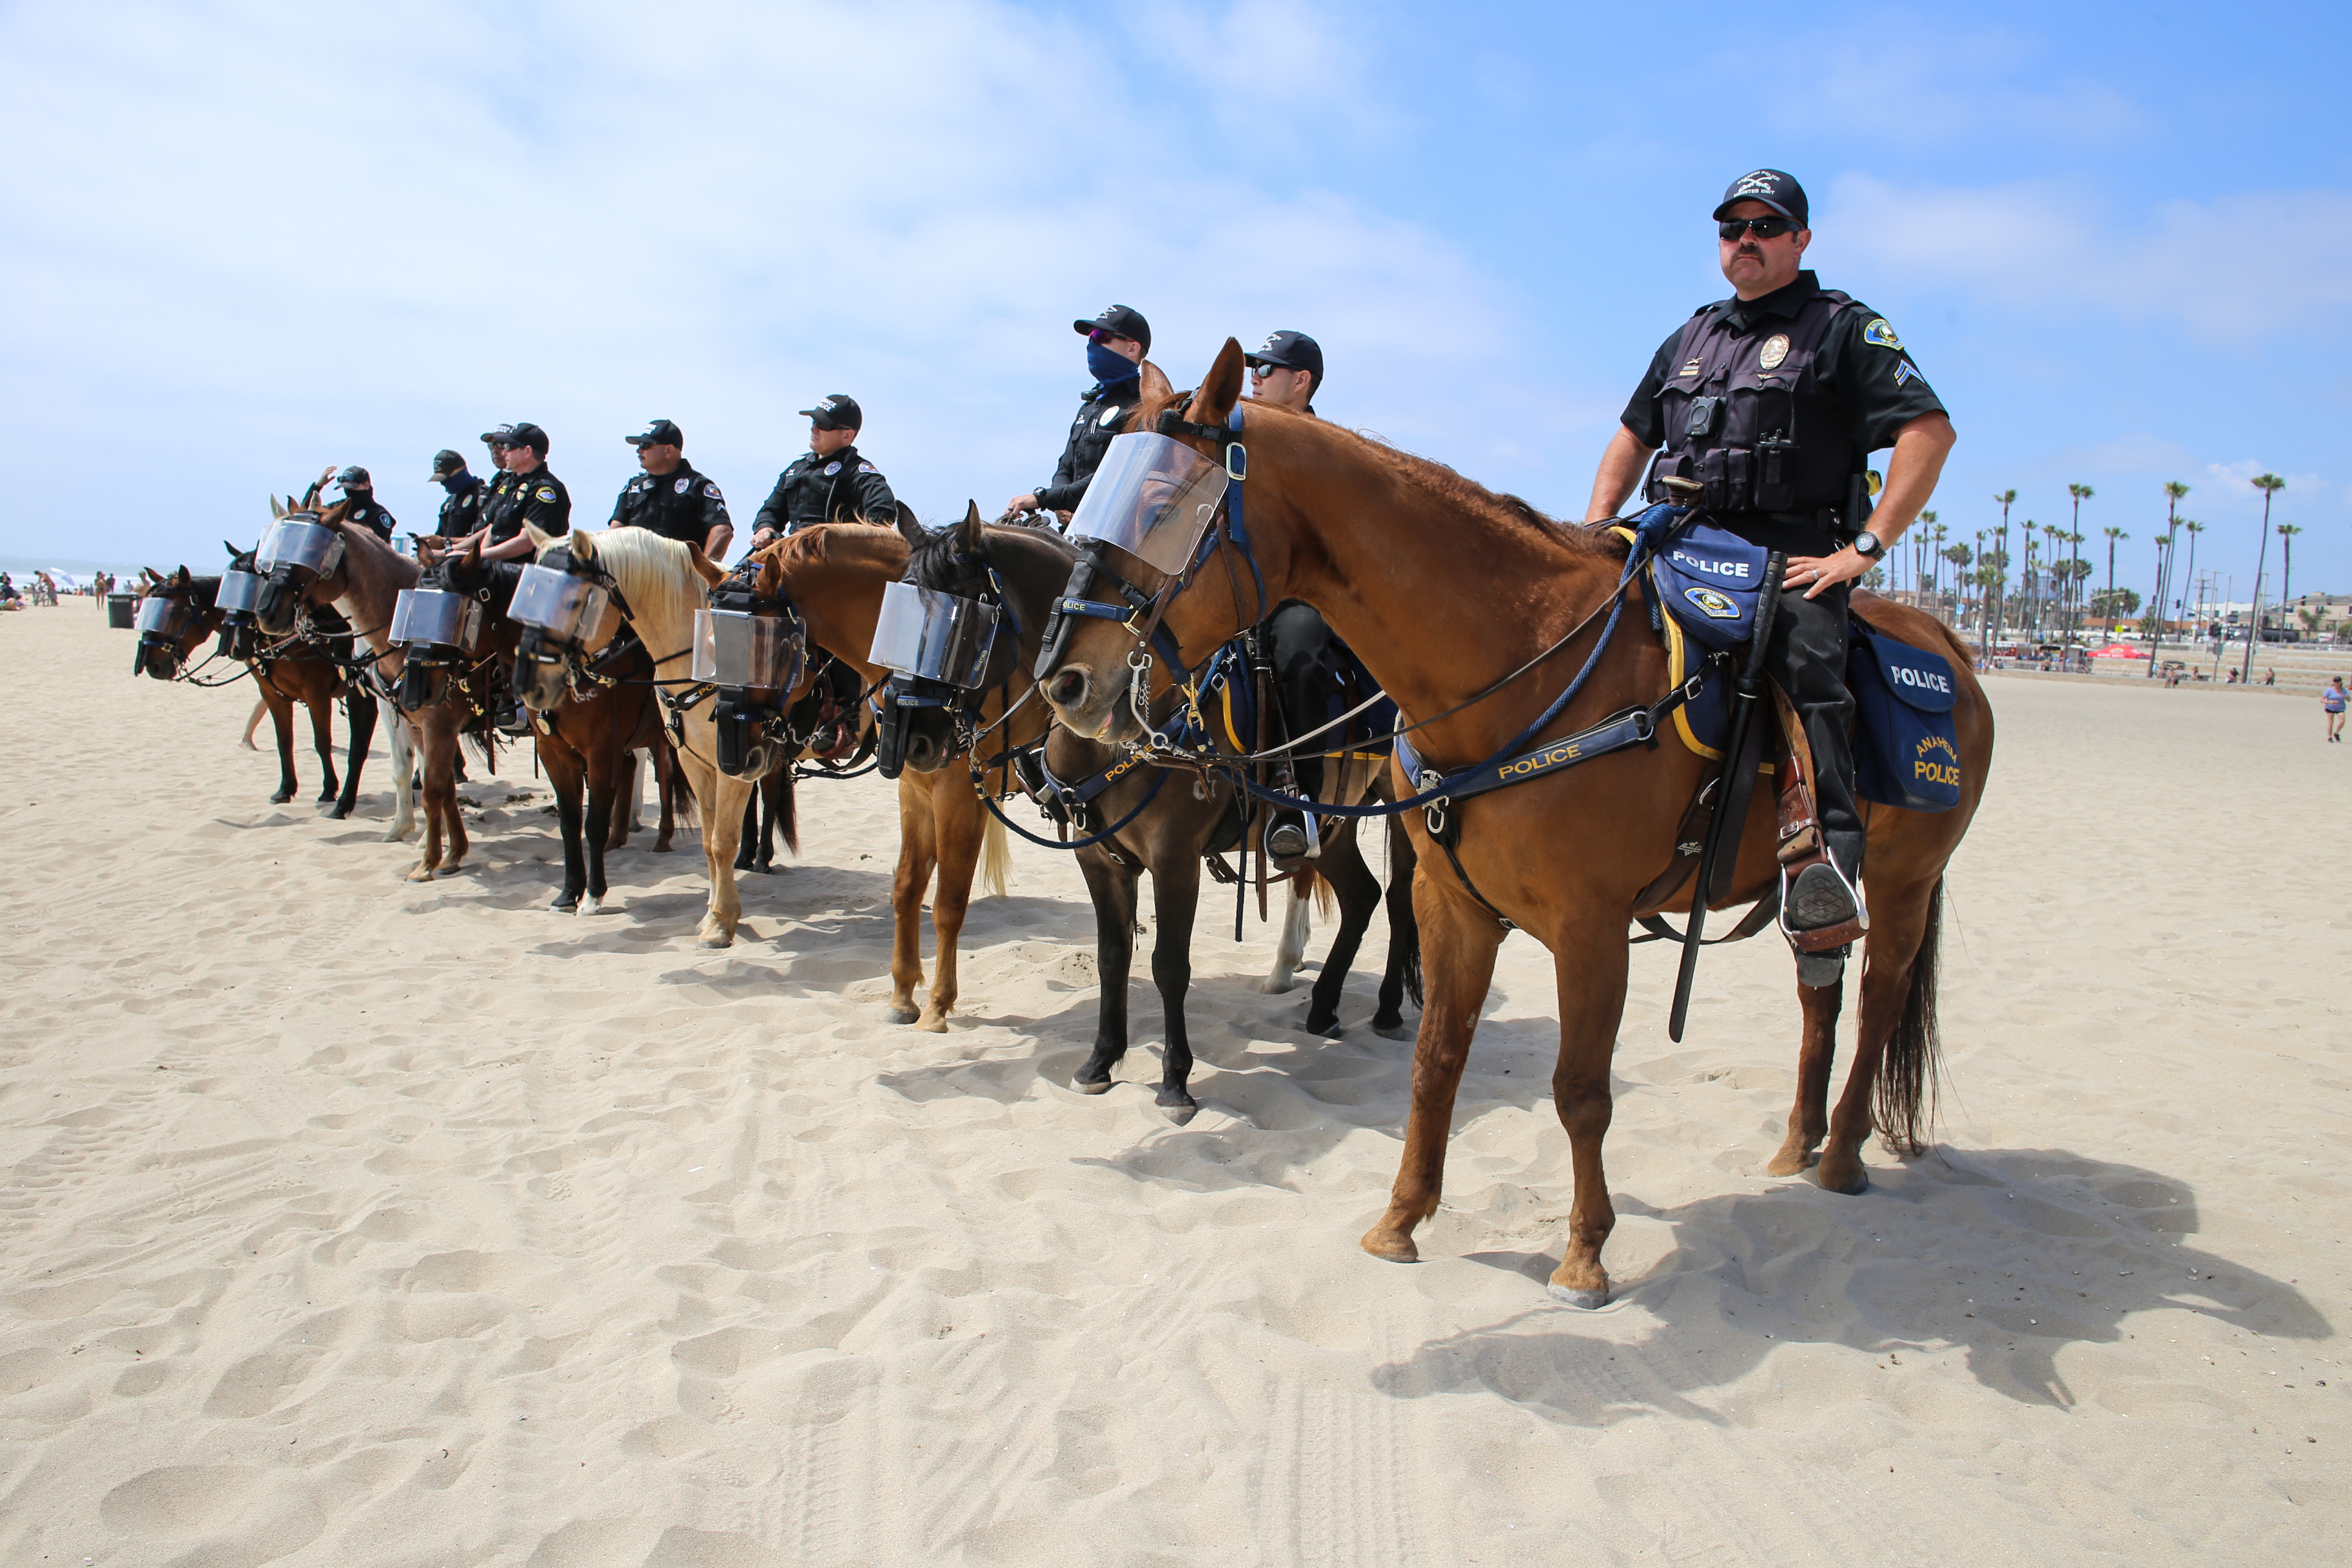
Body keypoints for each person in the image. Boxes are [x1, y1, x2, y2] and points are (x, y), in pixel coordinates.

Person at [1583, 168, 1955, 974]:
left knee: (1811, 662)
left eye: (1764, 226)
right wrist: (1595, 528)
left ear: (1800, 240)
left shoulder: (1844, 327)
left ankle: (1824, 872)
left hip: (1787, 550)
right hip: (1675, 534)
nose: (1744, 240)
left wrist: (1866, 548)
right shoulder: (1692, 334)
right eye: (1731, 228)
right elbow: (1630, 435)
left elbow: (1929, 432)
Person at [1242, 331, 1342, 865]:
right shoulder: (1238, 439)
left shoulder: (1326, 447)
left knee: (1300, 660)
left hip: (1299, 594)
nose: (1253, 379)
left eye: (1266, 369)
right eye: (1252, 369)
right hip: (1237, 587)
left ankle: (1299, 801)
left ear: (1300, 381)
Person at [1005, 304, 1151, 522]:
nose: (1093, 344)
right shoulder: (1090, 406)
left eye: (1102, 336)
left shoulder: (1144, 406)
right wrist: (1059, 504)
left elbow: (1117, 472)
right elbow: (1065, 466)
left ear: (1132, 349)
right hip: (1075, 530)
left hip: (1118, 534)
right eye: (1091, 337)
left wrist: (1044, 498)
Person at [746, 397, 899, 552]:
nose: (814, 429)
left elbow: (884, 509)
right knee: (737, 575)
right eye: (814, 422)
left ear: (847, 436)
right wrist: (765, 529)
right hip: (790, 554)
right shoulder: (795, 469)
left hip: (829, 562)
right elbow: (771, 510)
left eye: (823, 425)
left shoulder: (857, 471)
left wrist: (847, 545)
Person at [611, 419, 733, 558]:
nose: (639, 450)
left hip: (678, 577)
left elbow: (722, 531)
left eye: (646, 445)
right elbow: (614, 534)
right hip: (635, 575)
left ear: (668, 450)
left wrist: (703, 575)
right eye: (639, 445)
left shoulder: (698, 486)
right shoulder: (633, 487)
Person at [469, 422, 570, 562]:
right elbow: (493, 531)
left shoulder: (545, 489)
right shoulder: (509, 483)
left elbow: (525, 544)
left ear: (527, 451)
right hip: (495, 566)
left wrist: (477, 556)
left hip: (527, 572)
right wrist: (474, 560)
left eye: (509, 447)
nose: (504, 452)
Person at [322, 466, 395, 542]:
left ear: (366, 485)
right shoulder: (337, 508)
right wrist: (318, 486)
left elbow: (378, 547)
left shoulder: (377, 514)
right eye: (346, 488)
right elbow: (311, 513)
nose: (349, 490)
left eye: (353, 487)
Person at [430, 449, 487, 542]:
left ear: (460, 469)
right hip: (446, 554)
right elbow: (440, 535)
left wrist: (445, 542)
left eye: (446, 477)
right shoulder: (449, 503)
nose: (443, 483)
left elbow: (484, 537)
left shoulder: (483, 496)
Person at [2322, 677, 2346, 741]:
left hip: (2340, 708)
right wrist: (2331, 702)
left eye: (2338, 682)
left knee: (2342, 721)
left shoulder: (2344, 690)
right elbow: (2322, 700)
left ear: (2341, 683)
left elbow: (2349, 700)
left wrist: (2346, 697)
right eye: (2335, 682)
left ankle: (2336, 733)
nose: (2336, 683)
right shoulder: (2329, 690)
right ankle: (2330, 737)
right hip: (2331, 708)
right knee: (2331, 723)